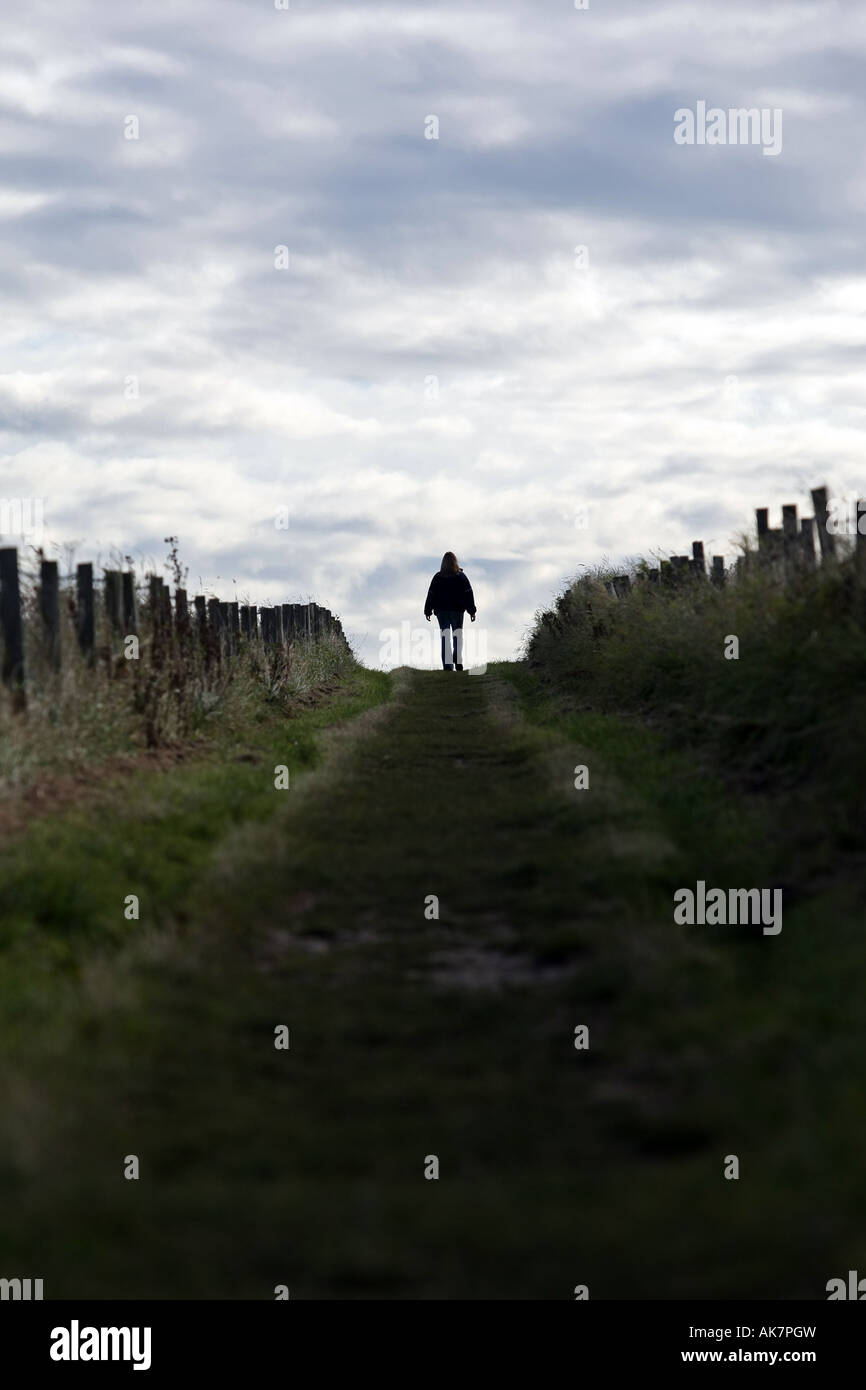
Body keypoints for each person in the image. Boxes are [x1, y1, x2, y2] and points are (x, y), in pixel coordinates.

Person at [424, 552, 476, 670]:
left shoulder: (437, 577)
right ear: (455, 562)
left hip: (441, 612)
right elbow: (469, 593)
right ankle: (457, 659)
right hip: (457, 611)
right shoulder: (461, 576)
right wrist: (471, 610)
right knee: (457, 635)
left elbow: (431, 594)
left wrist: (428, 610)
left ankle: (447, 666)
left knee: (445, 637)